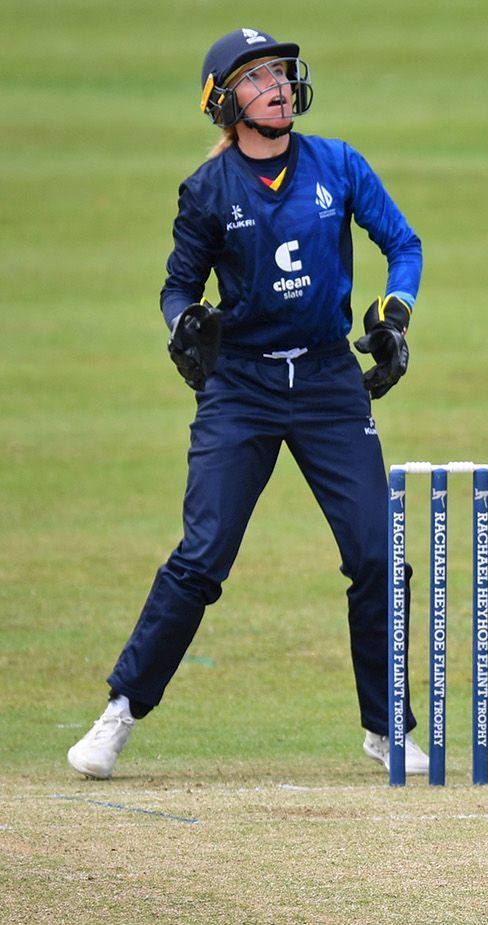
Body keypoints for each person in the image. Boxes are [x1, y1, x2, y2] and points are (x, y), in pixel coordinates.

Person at [67, 28, 429, 779]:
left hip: (329, 381)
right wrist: (185, 324)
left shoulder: (338, 163)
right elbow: (177, 287)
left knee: (374, 553)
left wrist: (394, 317)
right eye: (259, 77)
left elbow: (405, 244)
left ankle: (386, 726)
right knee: (203, 557)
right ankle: (119, 712)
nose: (279, 85)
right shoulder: (208, 190)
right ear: (225, 102)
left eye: (282, 73)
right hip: (242, 386)